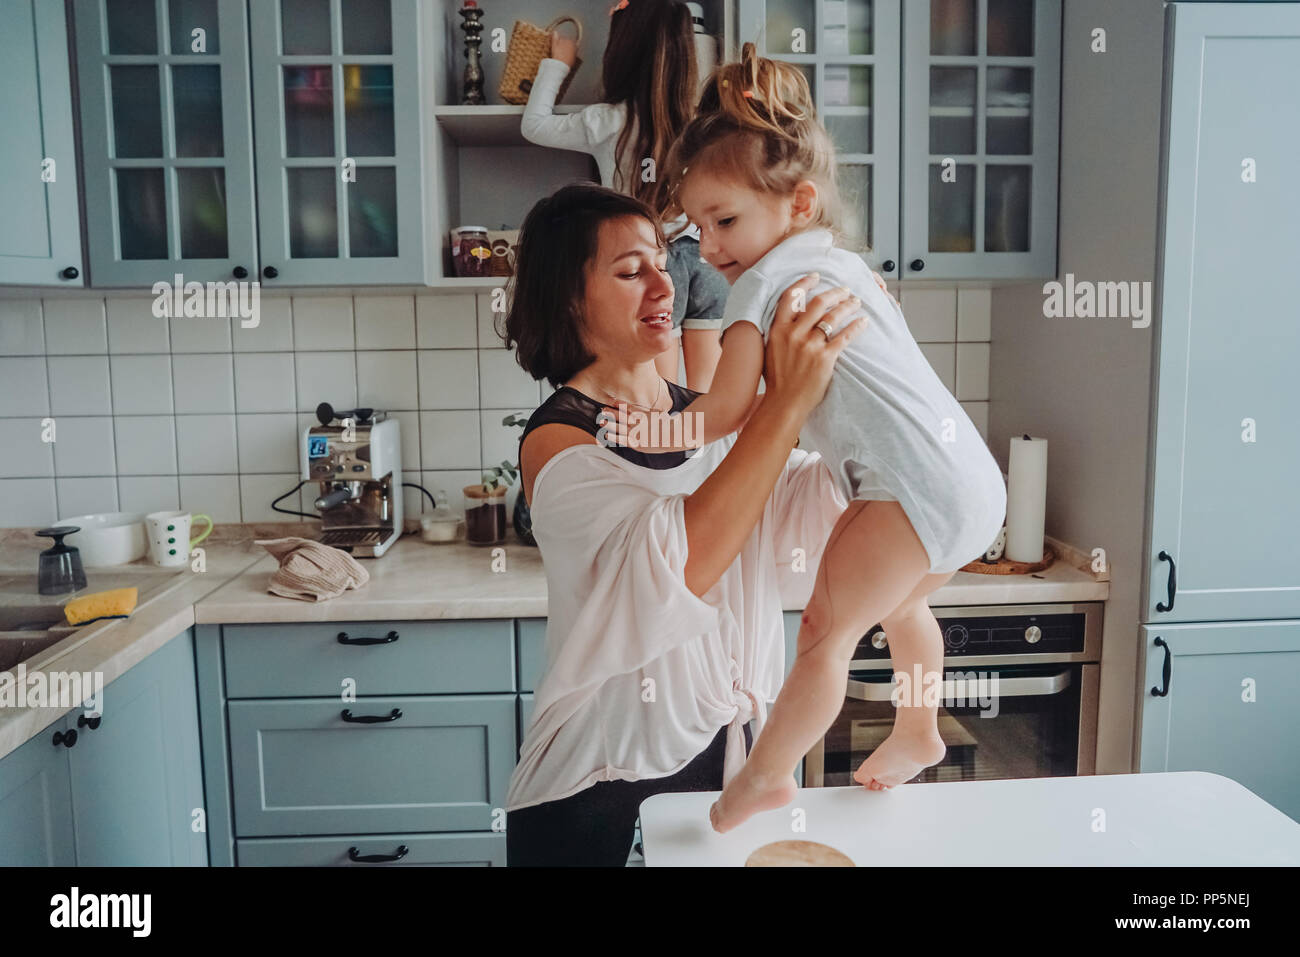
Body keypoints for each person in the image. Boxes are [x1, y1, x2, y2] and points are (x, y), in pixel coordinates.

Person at [616, 44, 1008, 833]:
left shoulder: (760, 286)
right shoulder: (844, 264)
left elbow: (726, 410)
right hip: (973, 480)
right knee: (901, 610)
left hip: (909, 492)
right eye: (699, 224)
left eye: (726, 220)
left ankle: (764, 776)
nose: (712, 243)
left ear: (798, 203)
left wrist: (652, 426)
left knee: (826, 632)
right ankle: (919, 727)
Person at [498, 183, 867, 866]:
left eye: (663, 264)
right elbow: (680, 561)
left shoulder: (710, 422)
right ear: (569, 296)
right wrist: (782, 405)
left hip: (730, 773)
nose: (663, 286)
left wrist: (860, 398)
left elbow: (799, 521)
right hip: (598, 788)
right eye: (630, 270)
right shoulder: (559, 440)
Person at [520, 0, 728, 391]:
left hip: (651, 267)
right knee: (708, 401)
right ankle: (709, 455)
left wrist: (559, 61)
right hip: (707, 258)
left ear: (622, 52)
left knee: (659, 401)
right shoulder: (702, 124)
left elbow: (534, 125)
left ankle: (666, 452)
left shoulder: (607, 120)